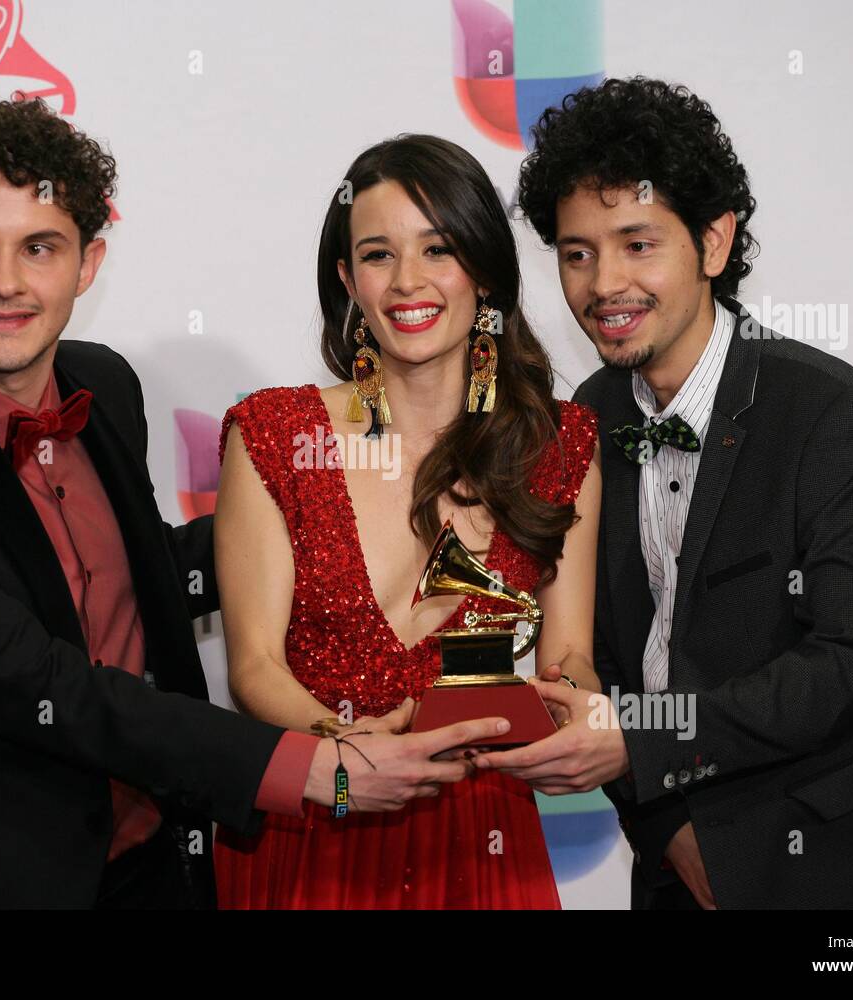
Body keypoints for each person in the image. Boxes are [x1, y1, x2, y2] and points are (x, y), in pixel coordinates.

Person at [0, 97, 507, 909]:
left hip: (161, 873)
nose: (5, 283)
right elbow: (40, 682)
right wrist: (313, 770)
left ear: (88, 264)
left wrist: (335, 501)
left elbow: (148, 572)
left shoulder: (106, 385)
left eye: (41, 248)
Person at [478, 76, 853, 909]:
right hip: (670, 861)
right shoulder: (582, 418)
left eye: (638, 243)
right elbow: (604, 658)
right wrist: (663, 825)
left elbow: (852, 658)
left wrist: (645, 744)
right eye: (577, 252)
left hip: (836, 866)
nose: (603, 285)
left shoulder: (832, 412)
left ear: (715, 241)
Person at [211, 134, 601, 908]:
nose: (408, 282)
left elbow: (568, 657)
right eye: (379, 255)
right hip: (328, 813)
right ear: (347, 278)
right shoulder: (276, 434)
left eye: (438, 249)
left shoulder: (562, 445)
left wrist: (584, 710)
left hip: (485, 833)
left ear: (484, 271)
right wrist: (343, 751)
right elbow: (253, 666)